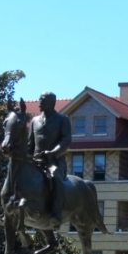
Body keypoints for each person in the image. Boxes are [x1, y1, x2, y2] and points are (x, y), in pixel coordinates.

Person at [28, 91, 72, 223]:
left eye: (43, 100)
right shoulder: (34, 121)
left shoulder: (62, 119)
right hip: (36, 162)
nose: (40, 102)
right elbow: (30, 143)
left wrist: (53, 152)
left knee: (55, 179)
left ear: (52, 103)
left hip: (54, 162)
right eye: (39, 99)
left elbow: (66, 140)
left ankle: (55, 214)